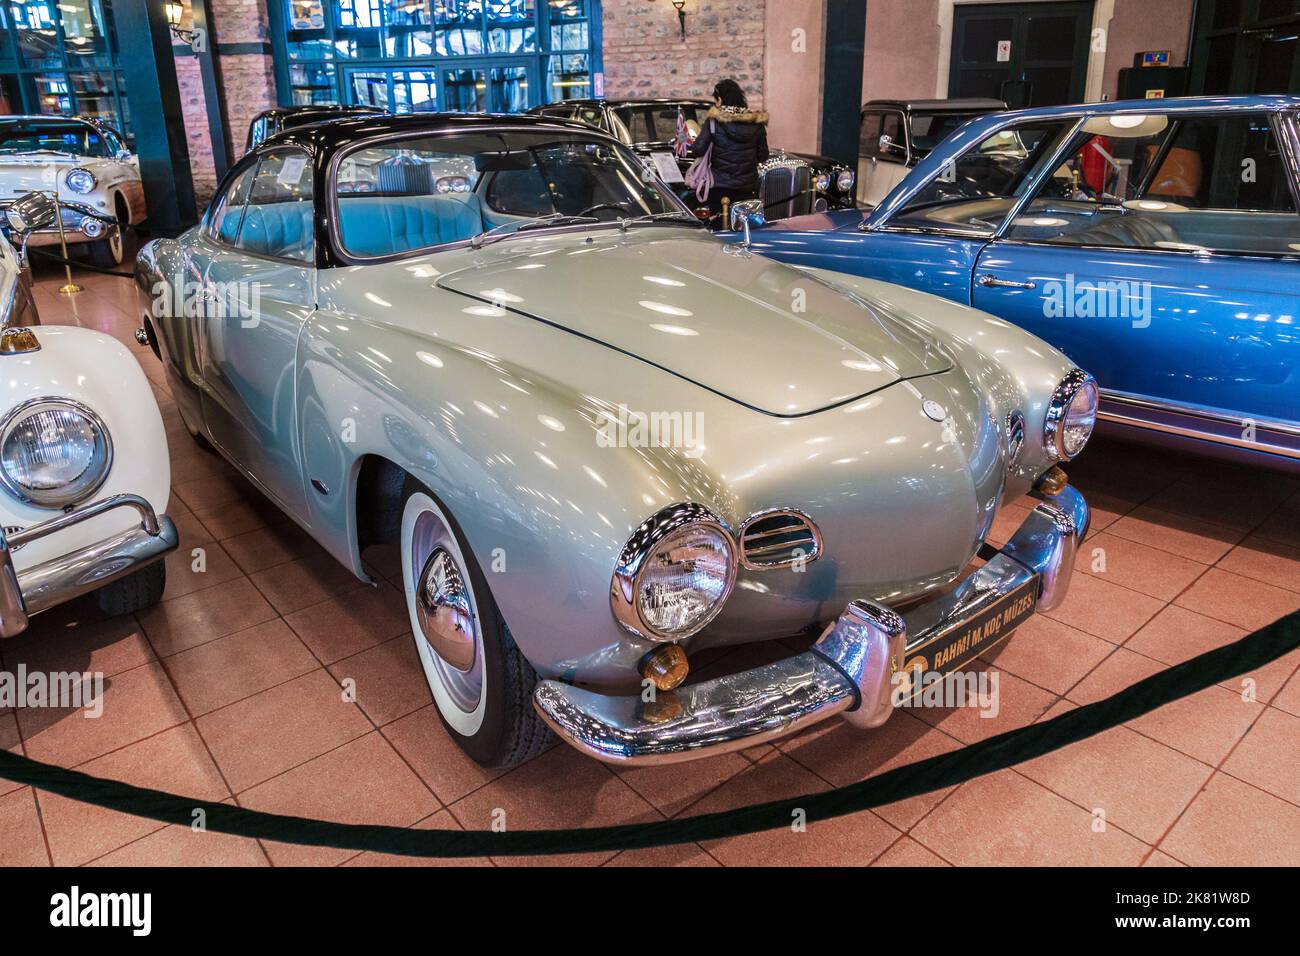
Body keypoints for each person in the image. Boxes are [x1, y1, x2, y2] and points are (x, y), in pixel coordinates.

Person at [688, 78, 769, 219]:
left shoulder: (713, 122)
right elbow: (763, 155)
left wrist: (690, 143)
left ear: (719, 99)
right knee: (745, 226)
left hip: (720, 187)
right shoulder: (756, 123)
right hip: (747, 188)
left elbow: (698, 150)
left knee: (720, 225)